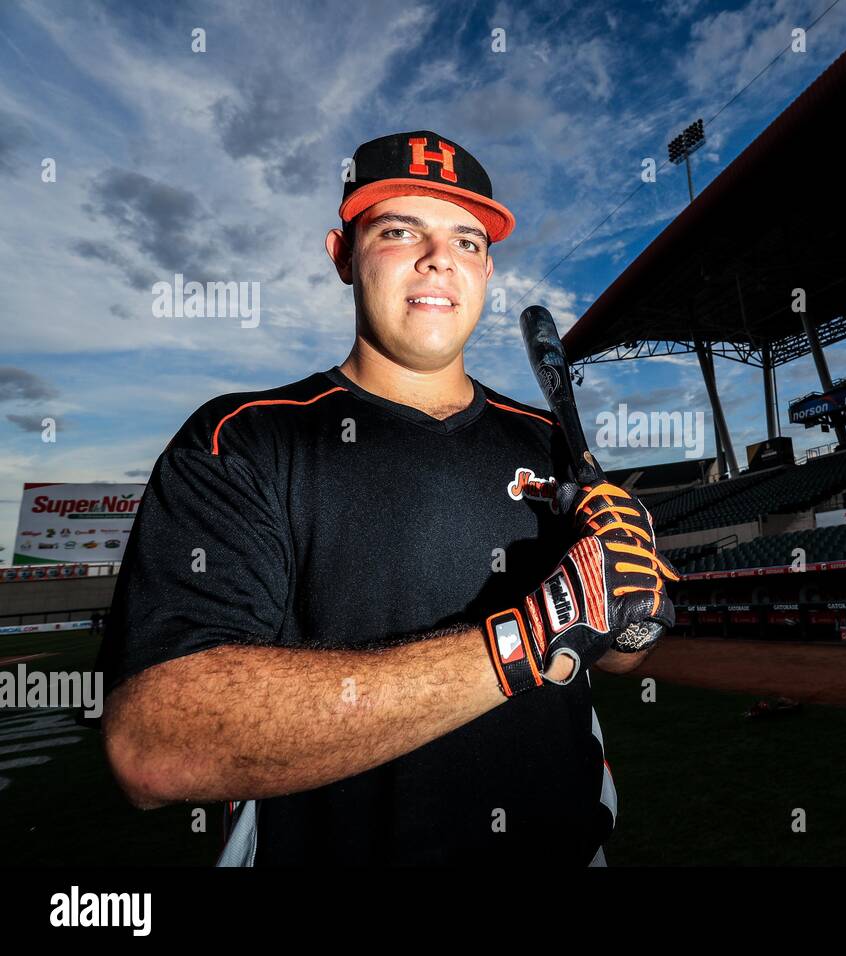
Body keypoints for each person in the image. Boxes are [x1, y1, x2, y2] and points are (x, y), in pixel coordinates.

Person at [94, 130, 678, 866]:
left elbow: (612, 653)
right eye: (400, 231)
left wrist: (632, 610)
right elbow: (157, 744)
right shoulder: (242, 440)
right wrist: (524, 642)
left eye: (467, 241)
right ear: (341, 255)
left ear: (488, 269)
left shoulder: (547, 444)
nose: (440, 257)